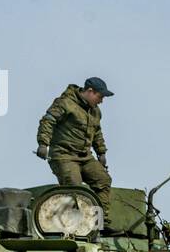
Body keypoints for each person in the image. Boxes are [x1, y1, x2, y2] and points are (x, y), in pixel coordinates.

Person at [35, 77, 113, 212]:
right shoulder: (65, 103)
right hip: (64, 155)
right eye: (100, 96)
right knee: (75, 189)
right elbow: (48, 121)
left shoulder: (95, 111)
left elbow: (97, 132)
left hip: (85, 157)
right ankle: (78, 227)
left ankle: (100, 223)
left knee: (103, 180)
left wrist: (101, 152)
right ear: (90, 91)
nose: (101, 101)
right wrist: (43, 144)